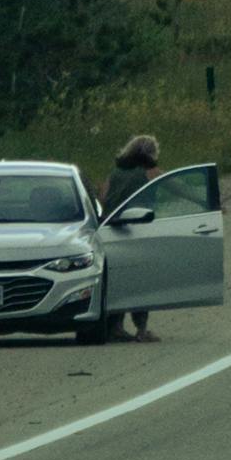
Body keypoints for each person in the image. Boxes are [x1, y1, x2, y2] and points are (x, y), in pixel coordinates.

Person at [99, 132, 164, 338]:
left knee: (117, 279)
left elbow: (102, 198)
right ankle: (142, 329)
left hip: (111, 230)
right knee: (141, 280)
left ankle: (114, 327)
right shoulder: (150, 173)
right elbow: (175, 187)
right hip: (138, 229)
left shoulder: (115, 173)